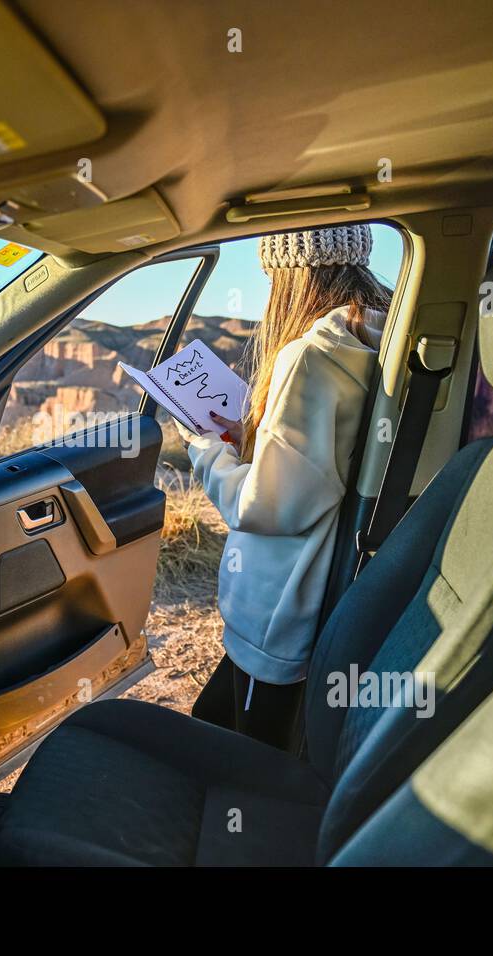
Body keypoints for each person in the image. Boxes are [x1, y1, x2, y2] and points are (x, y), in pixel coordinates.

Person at [182, 223, 391, 750]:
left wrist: (204, 444)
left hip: (281, 621)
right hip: (329, 602)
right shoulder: (381, 336)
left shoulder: (313, 355)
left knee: (242, 761)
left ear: (291, 275)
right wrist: (251, 437)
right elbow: (317, 470)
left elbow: (267, 507)